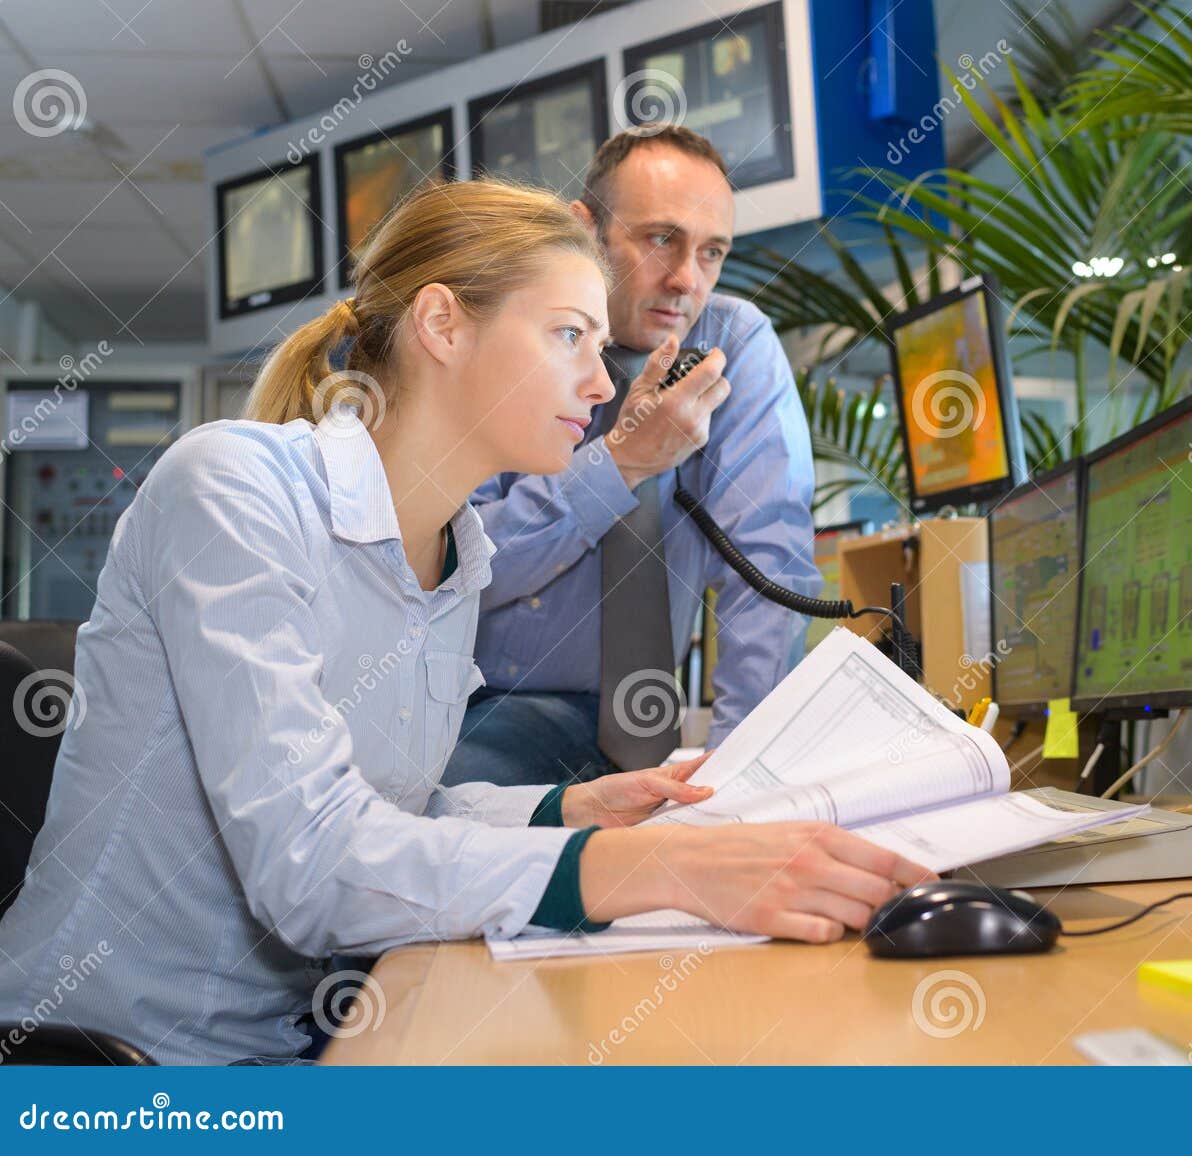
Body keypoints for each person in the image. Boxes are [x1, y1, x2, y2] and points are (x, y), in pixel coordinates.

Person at [0, 181, 930, 1066]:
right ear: (443, 323)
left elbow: (388, 810)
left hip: (281, 1046)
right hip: (110, 1066)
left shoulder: (460, 553)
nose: (602, 386)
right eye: (568, 336)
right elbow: (313, 863)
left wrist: (564, 810)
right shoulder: (235, 491)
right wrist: (664, 868)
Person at [443, 125, 819, 787]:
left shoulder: (732, 342)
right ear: (584, 229)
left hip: (638, 721)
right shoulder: (508, 336)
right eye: (660, 239)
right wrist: (618, 465)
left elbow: (768, 564)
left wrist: (738, 776)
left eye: (712, 253)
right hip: (478, 702)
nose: (685, 280)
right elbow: (462, 568)